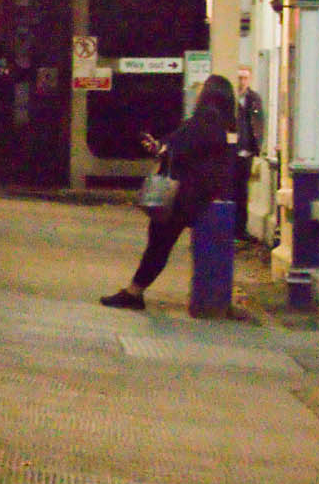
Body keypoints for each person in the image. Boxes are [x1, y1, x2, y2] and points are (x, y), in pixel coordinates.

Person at [101, 73, 237, 310]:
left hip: (182, 197)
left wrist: (161, 147)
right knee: (159, 243)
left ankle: (134, 293)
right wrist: (160, 145)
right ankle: (135, 291)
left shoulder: (205, 119)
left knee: (159, 242)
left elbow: (179, 146)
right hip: (195, 196)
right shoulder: (222, 122)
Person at [233, 65, 265, 241]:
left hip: (247, 152)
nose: (242, 81)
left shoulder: (254, 99)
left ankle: (240, 229)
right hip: (233, 152)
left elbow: (260, 122)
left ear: (250, 79)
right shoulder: (232, 99)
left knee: (243, 191)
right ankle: (231, 229)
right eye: (239, 77)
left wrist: (258, 145)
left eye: (245, 77)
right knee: (231, 190)